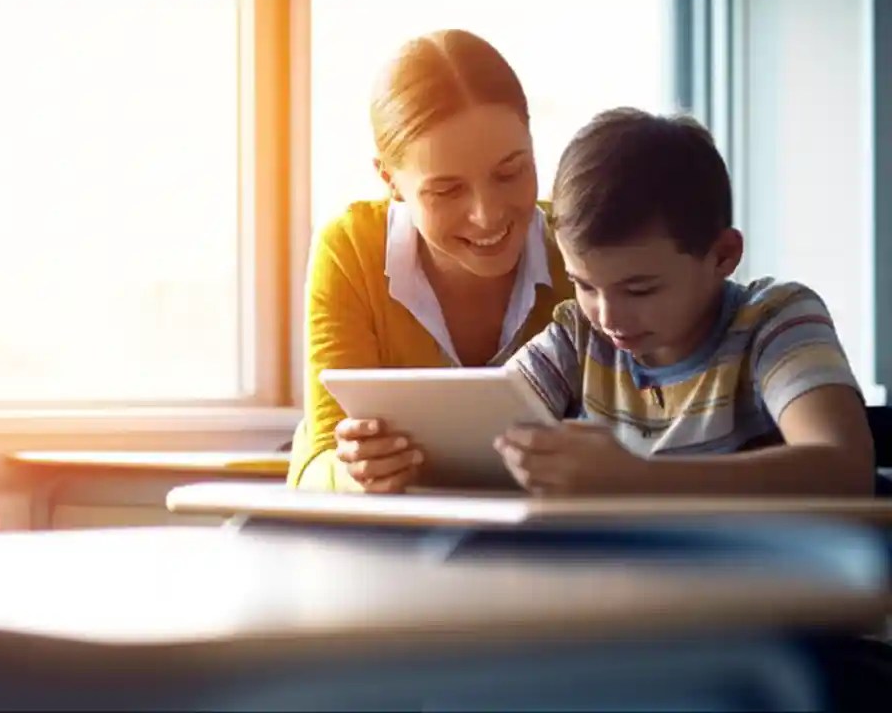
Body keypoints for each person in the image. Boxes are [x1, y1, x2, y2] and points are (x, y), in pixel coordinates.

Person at [498, 107, 873, 496]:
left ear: (723, 256)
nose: (607, 317)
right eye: (585, 286)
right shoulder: (576, 337)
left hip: (752, 557)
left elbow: (845, 467)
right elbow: (483, 425)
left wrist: (634, 478)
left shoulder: (774, 320)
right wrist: (433, 458)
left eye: (640, 289)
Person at [288, 29, 574, 493]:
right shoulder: (351, 250)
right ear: (391, 181)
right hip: (391, 546)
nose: (488, 215)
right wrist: (354, 473)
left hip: (548, 541)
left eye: (511, 171)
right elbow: (316, 465)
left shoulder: (579, 248)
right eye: (446, 190)